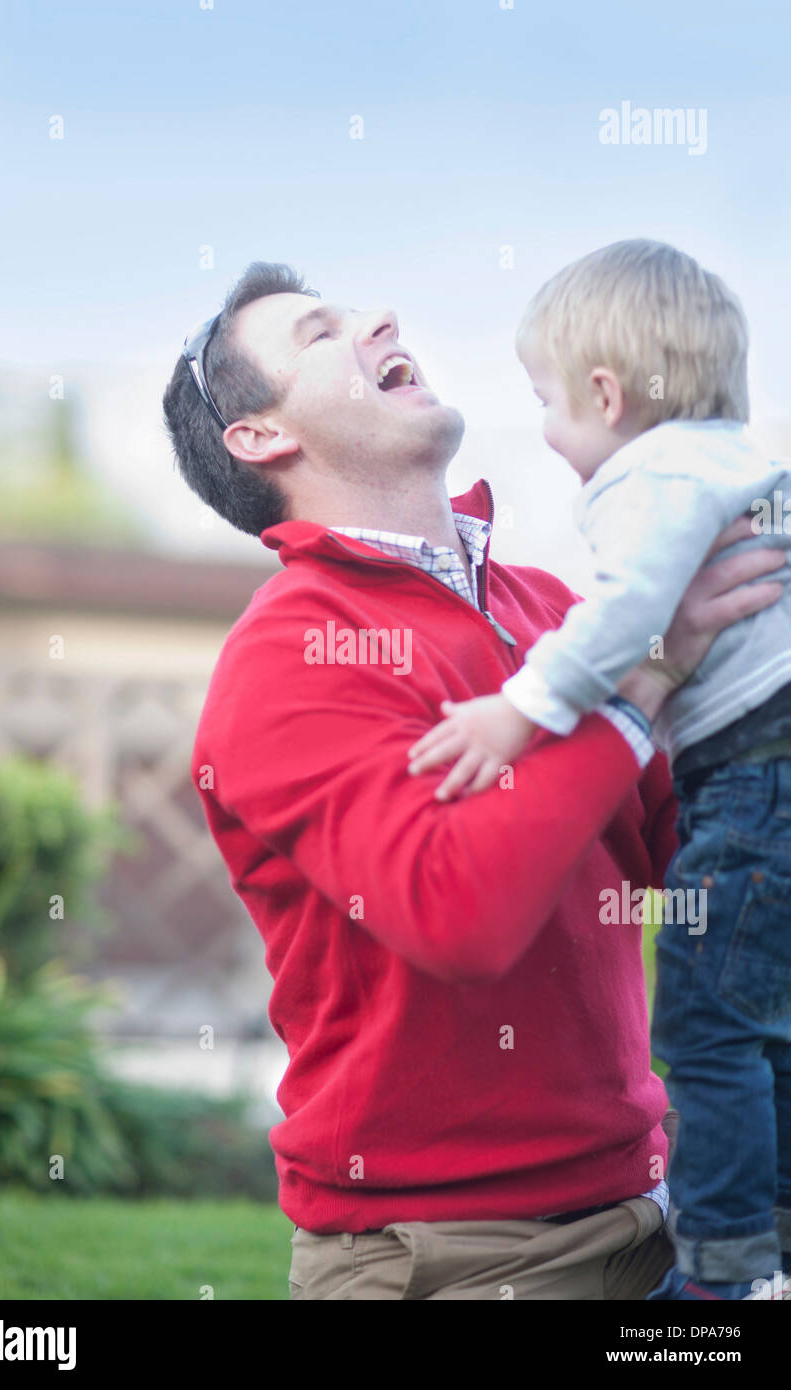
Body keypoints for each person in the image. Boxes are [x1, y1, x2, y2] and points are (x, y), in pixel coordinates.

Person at [162, 262, 785, 1300]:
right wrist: (640, 683)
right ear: (259, 436)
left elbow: (699, 861)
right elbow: (458, 914)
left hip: (659, 1210)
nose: (378, 319)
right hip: (455, 1256)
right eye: (320, 333)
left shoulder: (554, 609)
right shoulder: (288, 656)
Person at [408, 240, 791, 1299]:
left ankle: (723, 1271)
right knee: (767, 1019)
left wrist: (516, 708)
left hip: (751, 776)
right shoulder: (737, 464)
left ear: (604, 395)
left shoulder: (647, 475)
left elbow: (626, 611)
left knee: (708, 1025)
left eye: (544, 401)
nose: (540, 428)